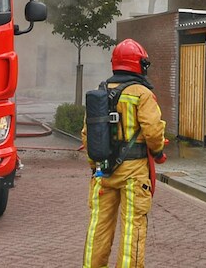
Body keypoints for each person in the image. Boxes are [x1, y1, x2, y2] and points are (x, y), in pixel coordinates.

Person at [82, 39, 167, 268]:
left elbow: (87, 133)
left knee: (98, 228)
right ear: (139, 64)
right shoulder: (142, 94)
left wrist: (95, 165)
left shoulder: (99, 92)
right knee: (133, 229)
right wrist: (158, 152)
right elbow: (152, 129)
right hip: (134, 173)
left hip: (103, 172)